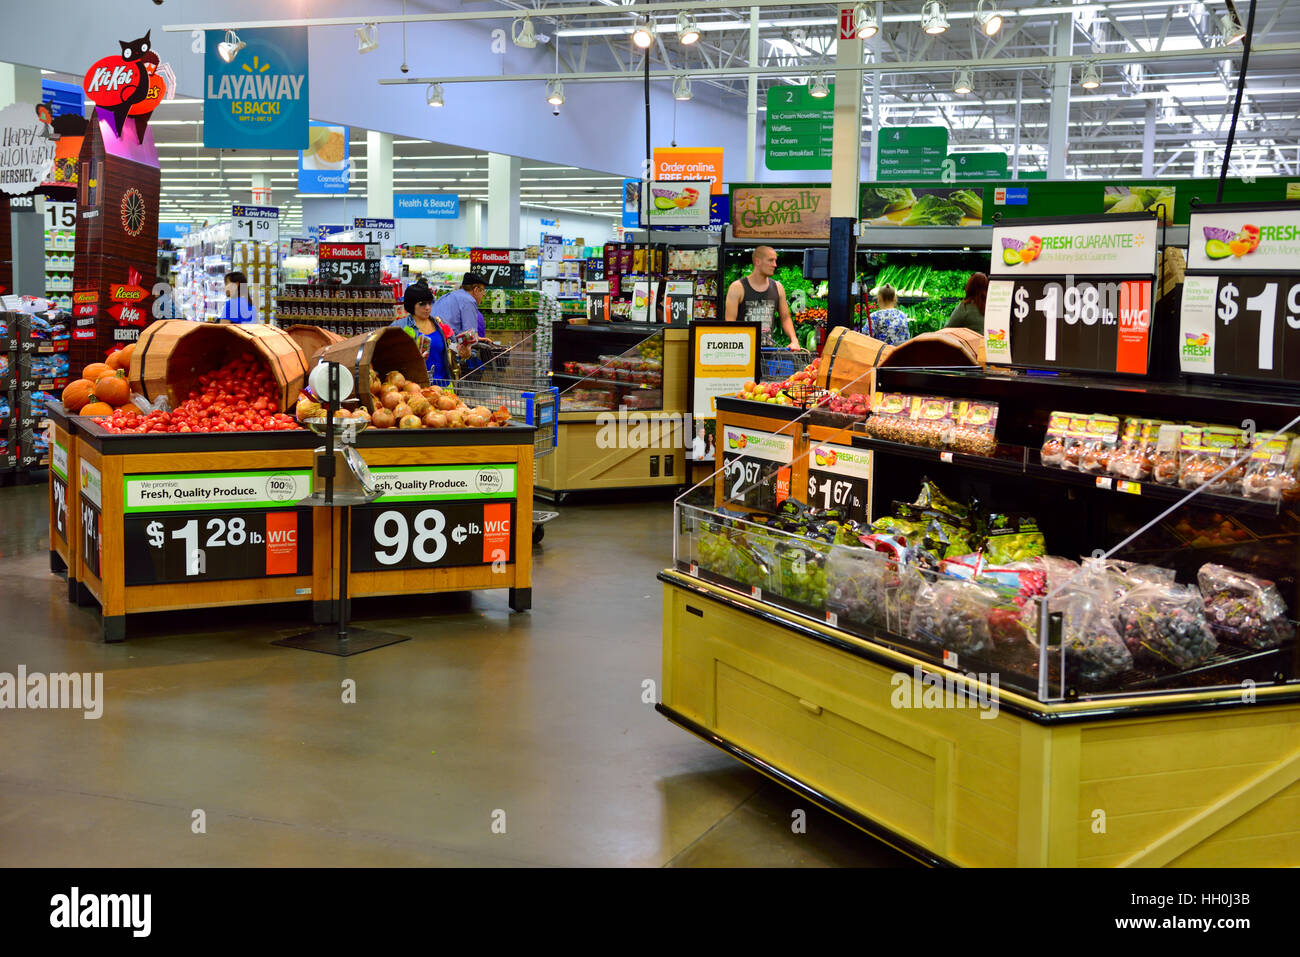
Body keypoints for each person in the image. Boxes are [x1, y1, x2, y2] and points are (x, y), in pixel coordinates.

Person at [724, 246, 800, 350]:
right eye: (770, 260)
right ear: (757, 261)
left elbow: (785, 317)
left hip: (767, 353)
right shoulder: (737, 287)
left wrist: (794, 340)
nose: (775, 265)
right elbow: (729, 323)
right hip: (743, 352)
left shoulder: (778, 287)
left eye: (775, 260)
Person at [392, 283, 457, 385]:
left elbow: (453, 348)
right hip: (413, 389)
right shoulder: (399, 327)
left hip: (444, 388)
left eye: (430, 303)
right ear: (411, 304)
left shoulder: (440, 324)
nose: (427, 307)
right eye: (422, 304)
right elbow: (389, 356)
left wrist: (462, 351)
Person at [432, 272, 491, 342]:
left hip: (432, 340)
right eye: (483, 290)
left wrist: (477, 338)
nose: (484, 294)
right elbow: (469, 337)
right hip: (446, 345)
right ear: (476, 290)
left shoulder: (448, 296)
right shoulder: (469, 301)